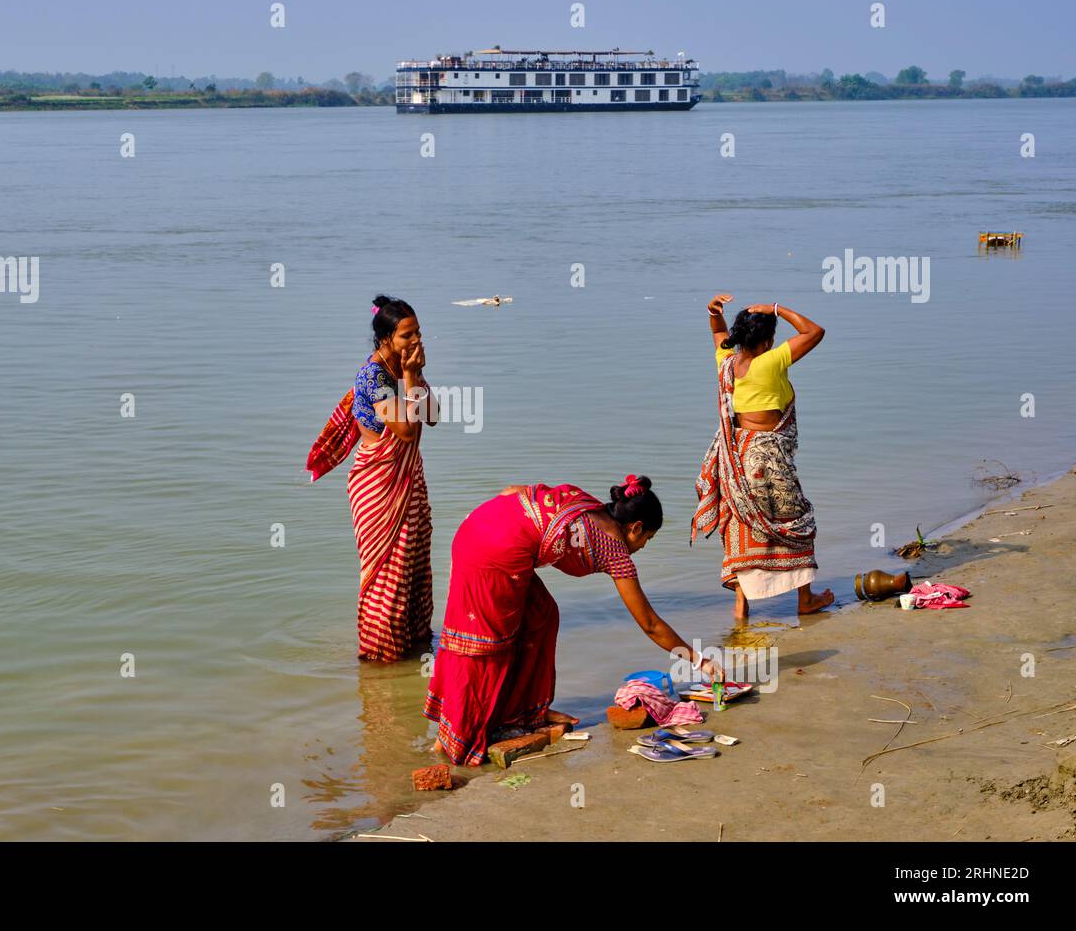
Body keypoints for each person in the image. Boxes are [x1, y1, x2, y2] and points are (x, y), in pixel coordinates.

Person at [424, 476, 724, 765]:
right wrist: (700, 661)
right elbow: (649, 623)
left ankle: (526, 713)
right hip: (491, 553)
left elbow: (511, 491)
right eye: (648, 537)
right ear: (635, 527)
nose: (644, 545)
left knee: (542, 615)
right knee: (487, 643)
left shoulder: (586, 504)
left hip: (480, 525)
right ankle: (455, 738)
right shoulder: (615, 550)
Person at [305, 296, 436, 661]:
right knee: (387, 577)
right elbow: (407, 431)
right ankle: (380, 662)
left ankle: (412, 650)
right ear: (386, 338)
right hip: (378, 486)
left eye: (418, 332)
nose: (416, 340)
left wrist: (417, 374)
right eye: (407, 334)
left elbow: (434, 415)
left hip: (408, 480)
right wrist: (411, 376)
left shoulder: (404, 367)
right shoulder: (375, 375)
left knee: (413, 568)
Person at [693, 295, 834, 620]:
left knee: (743, 523)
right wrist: (777, 308)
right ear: (768, 340)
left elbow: (718, 336)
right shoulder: (770, 362)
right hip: (768, 459)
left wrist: (715, 315)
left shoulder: (728, 363)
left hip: (737, 456)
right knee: (795, 520)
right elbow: (815, 331)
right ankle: (805, 599)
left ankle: (741, 605)